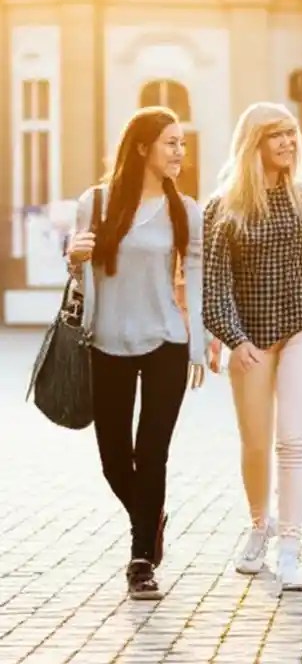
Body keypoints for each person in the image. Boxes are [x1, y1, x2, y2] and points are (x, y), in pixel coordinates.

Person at [64, 106, 206, 600]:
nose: (179, 152)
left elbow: (198, 277)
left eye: (182, 144)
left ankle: (141, 558)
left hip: (166, 340)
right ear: (142, 147)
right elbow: (83, 276)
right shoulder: (97, 203)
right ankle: (152, 515)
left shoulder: (185, 210)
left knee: (153, 453)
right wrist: (74, 257)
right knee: (113, 460)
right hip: (107, 342)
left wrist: (199, 346)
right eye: (170, 142)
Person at [203, 101, 302, 595]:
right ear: (253, 143)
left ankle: (289, 547)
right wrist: (234, 339)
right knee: (256, 442)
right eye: (276, 135)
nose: (288, 142)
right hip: (251, 340)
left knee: (294, 442)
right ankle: (259, 524)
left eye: (291, 134)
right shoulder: (223, 207)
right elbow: (215, 288)